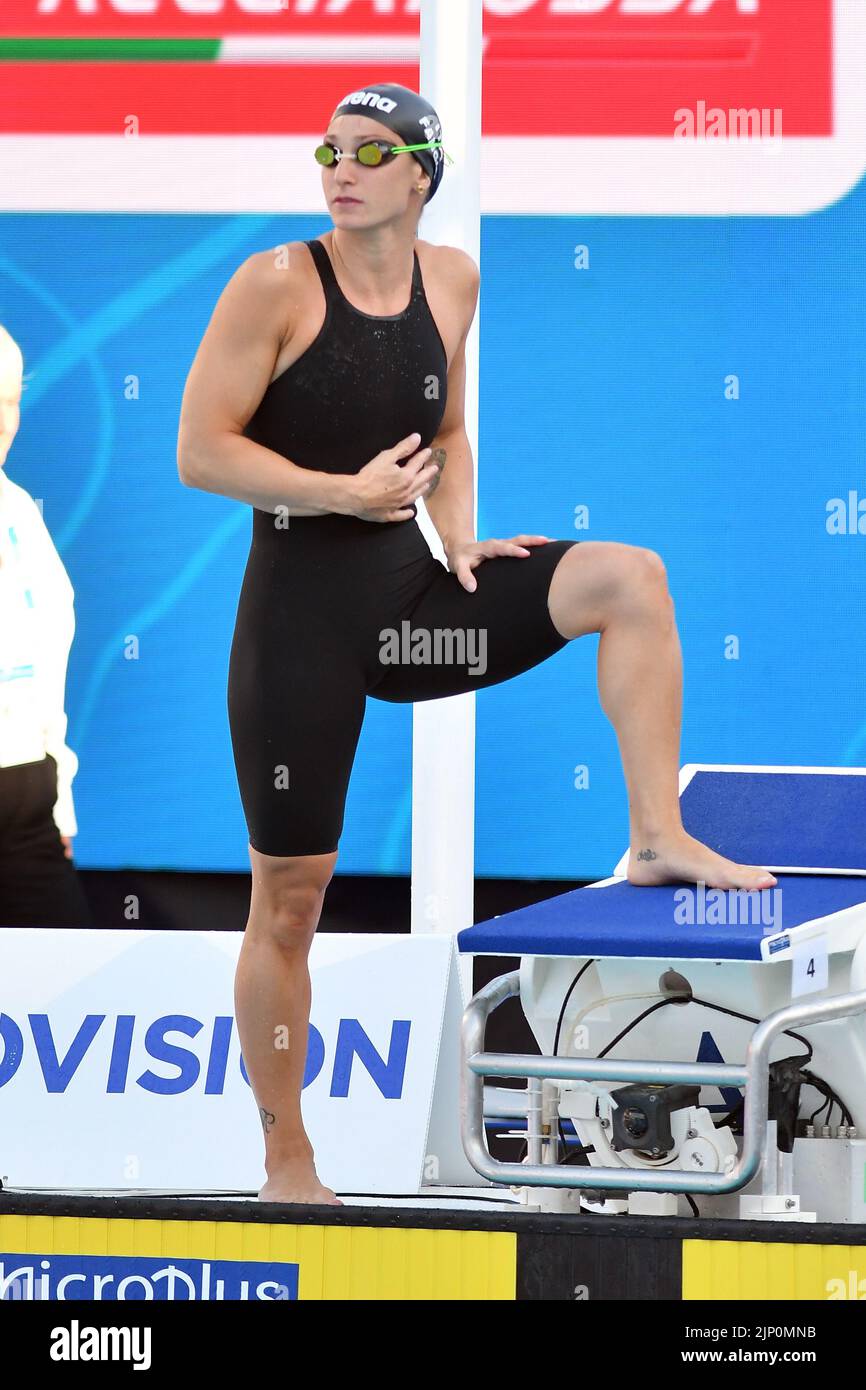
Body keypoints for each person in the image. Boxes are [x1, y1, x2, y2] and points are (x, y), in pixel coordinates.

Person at [177, 82, 777, 1205]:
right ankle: (286, 1158)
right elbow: (199, 451)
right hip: (297, 624)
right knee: (289, 899)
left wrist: (457, 539)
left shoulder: (450, 277)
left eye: (368, 152)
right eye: (327, 150)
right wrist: (338, 492)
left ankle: (655, 835)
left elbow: (442, 424)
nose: (339, 168)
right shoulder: (273, 284)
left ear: (420, 173)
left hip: (413, 609)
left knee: (626, 578)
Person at [0, 326, 93, 927]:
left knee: (59, 997)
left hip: (25, 809)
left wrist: (58, 810)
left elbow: (44, 675)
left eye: (9, 400)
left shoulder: (18, 510)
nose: (3, 421)